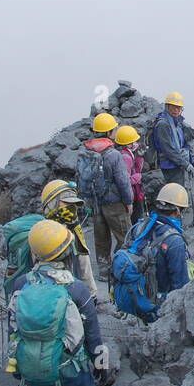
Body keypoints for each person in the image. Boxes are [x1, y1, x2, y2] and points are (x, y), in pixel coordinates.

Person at [8, 220, 112, 386]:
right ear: (67, 253)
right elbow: (93, 335)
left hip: (35, 365)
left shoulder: (21, 284)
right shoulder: (76, 288)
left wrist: (16, 365)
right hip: (71, 368)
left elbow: (13, 329)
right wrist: (101, 366)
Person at [78, 115, 134, 280]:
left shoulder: (86, 151)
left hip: (95, 201)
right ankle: (124, 267)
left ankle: (103, 271)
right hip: (114, 203)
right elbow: (123, 181)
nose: (116, 131)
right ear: (109, 132)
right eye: (114, 129)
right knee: (125, 235)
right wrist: (129, 201)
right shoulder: (113, 154)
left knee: (101, 238)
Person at [124, 183, 194, 299]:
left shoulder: (140, 226)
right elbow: (180, 285)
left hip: (138, 294)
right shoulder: (174, 241)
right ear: (177, 211)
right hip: (160, 302)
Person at [40, 179, 99, 293]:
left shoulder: (75, 229)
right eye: (67, 203)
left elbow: (84, 265)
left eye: (74, 204)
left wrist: (92, 294)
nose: (72, 208)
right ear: (51, 204)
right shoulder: (43, 234)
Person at [151, 91, 194, 188]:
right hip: (169, 167)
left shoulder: (178, 123)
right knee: (174, 195)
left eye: (179, 108)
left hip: (178, 164)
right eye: (173, 107)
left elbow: (185, 143)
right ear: (167, 107)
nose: (176, 110)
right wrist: (186, 164)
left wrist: (192, 159)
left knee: (179, 193)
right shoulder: (163, 124)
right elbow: (168, 149)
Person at [114, 126, 147, 224]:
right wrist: (139, 176)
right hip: (132, 196)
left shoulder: (125, 154)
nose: (136, 144)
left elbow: (135, 169)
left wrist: (139, 157)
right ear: (128, 144)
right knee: (136, 222)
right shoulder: (126, 158)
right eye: (133, 141)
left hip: (134, 194)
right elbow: (126, 180)